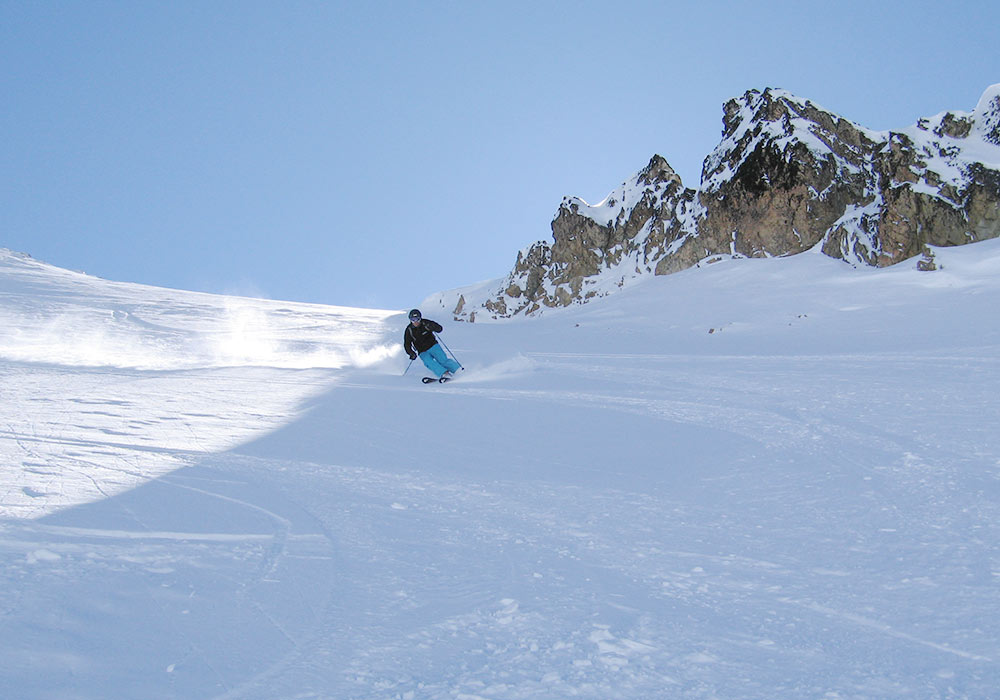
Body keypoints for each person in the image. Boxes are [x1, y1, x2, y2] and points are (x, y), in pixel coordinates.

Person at [404, 309, 461, 379]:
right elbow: (407, 344)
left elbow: (439, 328)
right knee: (429, 362)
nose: (415, 322)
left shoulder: (426, 323)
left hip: (433, 346)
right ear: (410, 320)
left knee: (442, 360)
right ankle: (444, 374)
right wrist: (411, 353)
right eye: (413, 319)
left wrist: (432, 327)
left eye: (417, 319)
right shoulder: (409, 330)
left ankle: (458, 371)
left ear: (420, 318)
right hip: (422, 351)